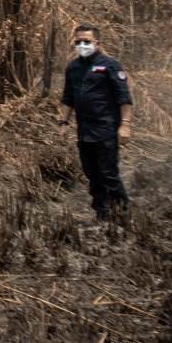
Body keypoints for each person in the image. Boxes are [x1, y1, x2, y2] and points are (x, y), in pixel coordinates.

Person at [57, 25, 133, 221]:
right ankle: (102, 211)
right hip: (85, 130)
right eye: (78, 41)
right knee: (91, 172)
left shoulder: (109, 65)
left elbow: (123, 97)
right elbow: (68, 97)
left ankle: (123, 211)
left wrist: (125, 125)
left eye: (87, 41)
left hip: (106, 128)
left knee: (108, 172)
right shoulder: (72, 67)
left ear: (97, 43)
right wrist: (63, 123)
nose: (82, 45)